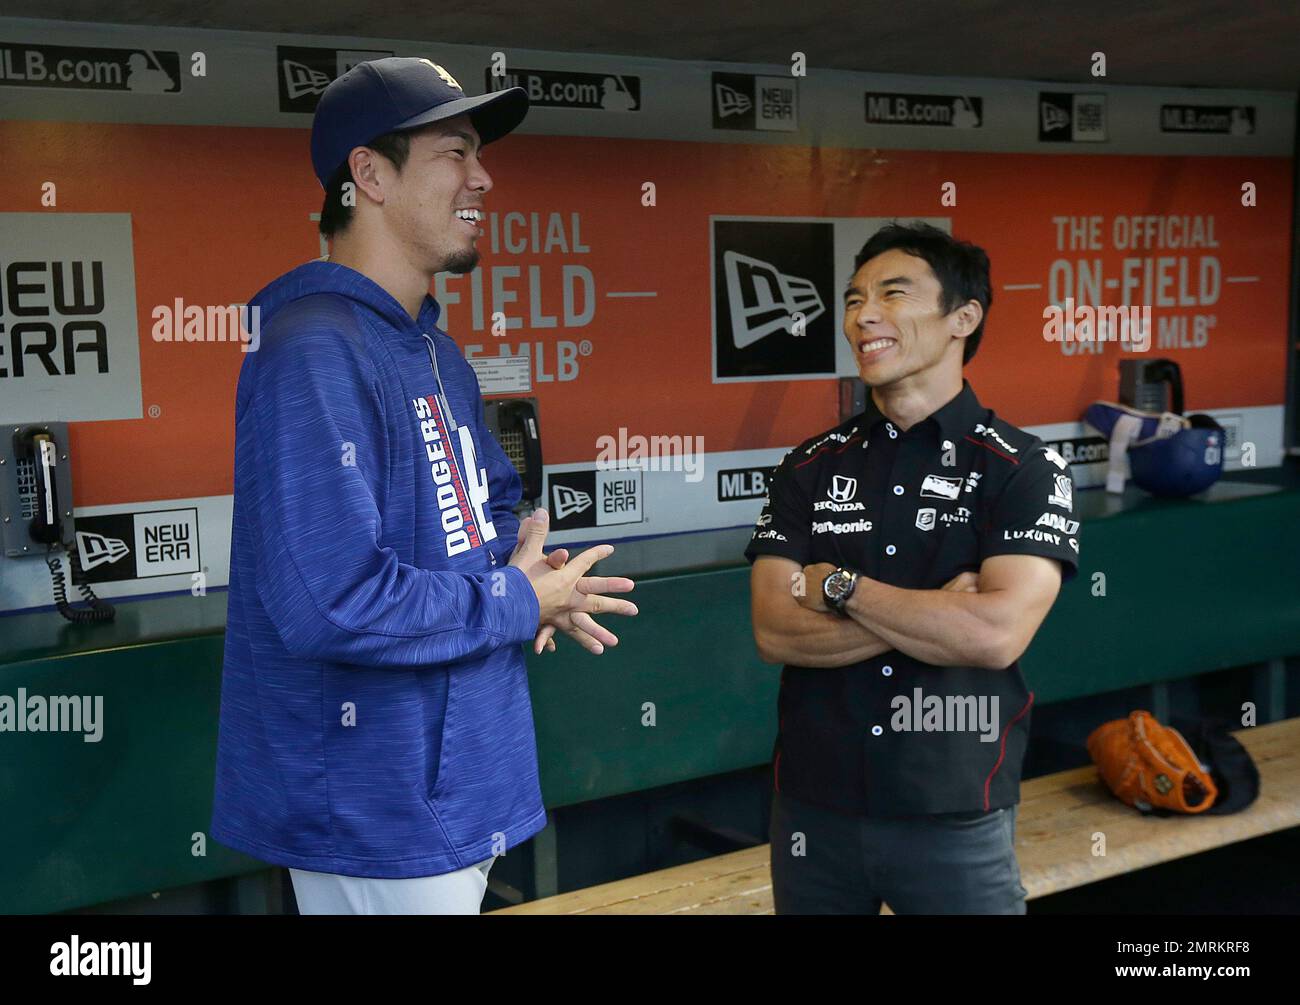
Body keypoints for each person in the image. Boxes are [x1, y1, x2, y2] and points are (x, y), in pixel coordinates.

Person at [211, 57, 637, 915]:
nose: (483, 177)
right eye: (454, 151)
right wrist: (515, 601)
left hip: (455, 785)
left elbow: (479, 526)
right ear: (368, 174)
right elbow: (330, 600)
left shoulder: (433, 350)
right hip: (376, 801)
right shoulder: (312, 349)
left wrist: (533, 577)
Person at [746, 222, 1079, 914]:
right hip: (814, 813)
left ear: (964, 317)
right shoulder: (807, 467)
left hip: (955, 814)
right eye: (853, 298)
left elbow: (993, 636)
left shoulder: (1023, 468)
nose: (862, 316)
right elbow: (776, 630)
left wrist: (840, 588)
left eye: (893, 295)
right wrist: (936, 606)